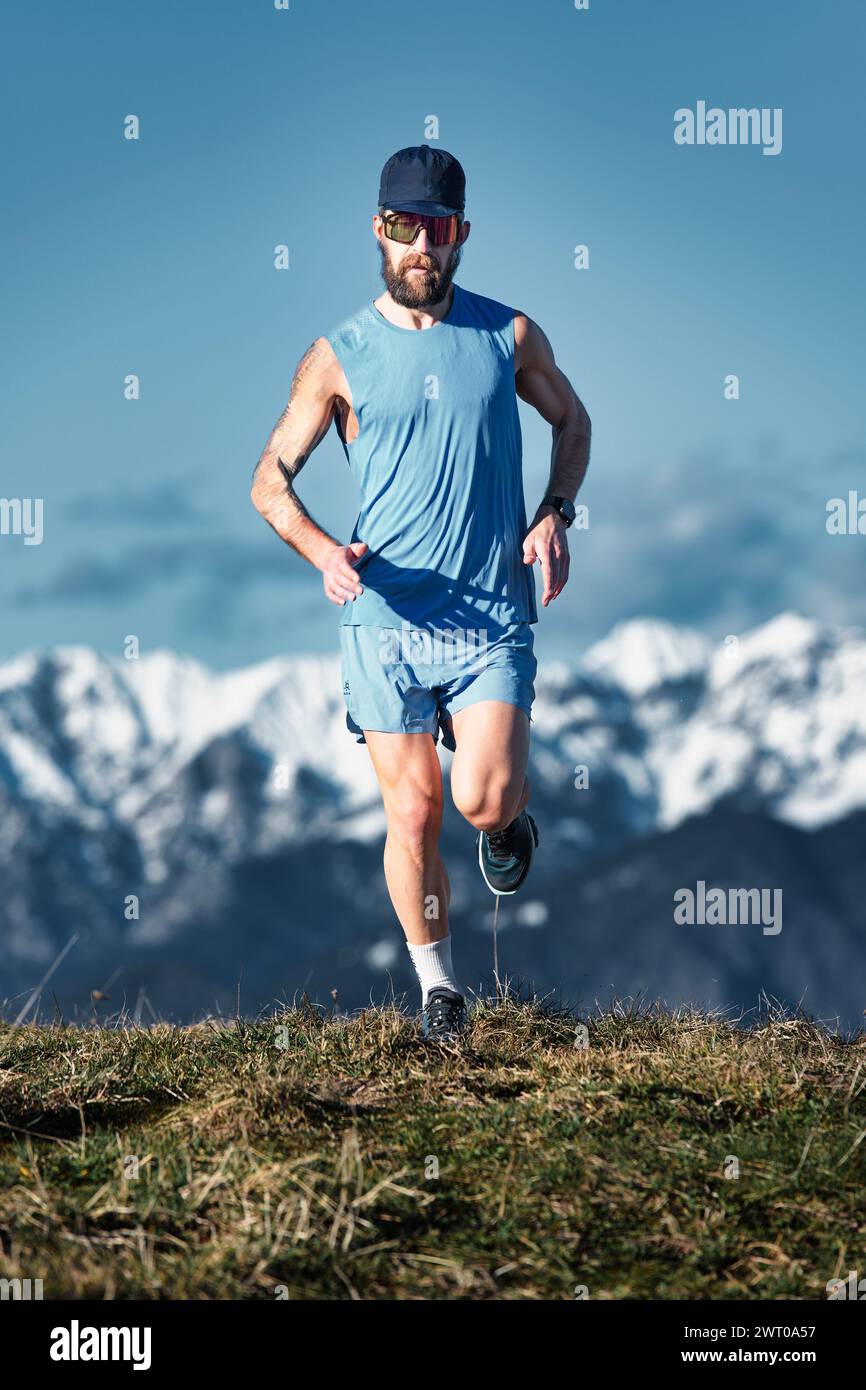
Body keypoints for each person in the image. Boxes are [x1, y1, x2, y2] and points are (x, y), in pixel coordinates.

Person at [251, 146, 591, 1040]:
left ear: (461, 237)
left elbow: (573, 421)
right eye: (404, 229)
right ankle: (438, 988)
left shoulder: (507, 336)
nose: (420, 249)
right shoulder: (338, 355)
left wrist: (556, 511)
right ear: (379, 230)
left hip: (487, 614)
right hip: (385, 619)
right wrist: (326, 552)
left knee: (479, 800)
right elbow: (268, 483)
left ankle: (508, 823)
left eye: (436, 232)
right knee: (412, 810)